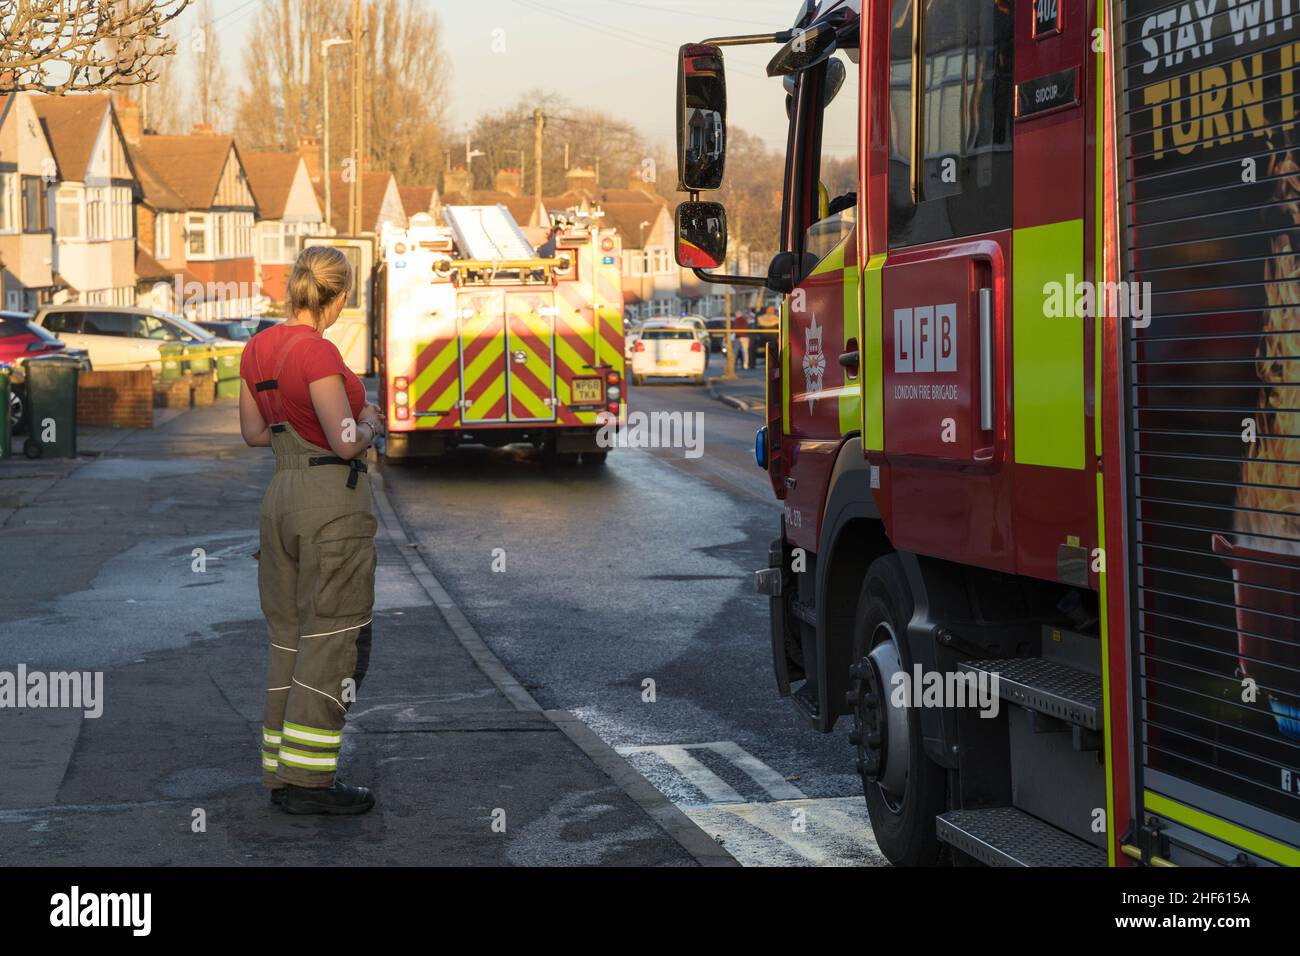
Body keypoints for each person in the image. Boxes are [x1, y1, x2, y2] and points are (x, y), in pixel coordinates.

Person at [238, 245, 386, 815]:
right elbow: (344, 438)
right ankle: (311, 784)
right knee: (332, 640)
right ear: (340, 296)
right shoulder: (318, 352)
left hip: (280, 497)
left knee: (289, 638)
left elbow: (254, 433)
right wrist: (370, 422)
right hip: (330, 501)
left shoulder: (257, 348)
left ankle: (281, 772)